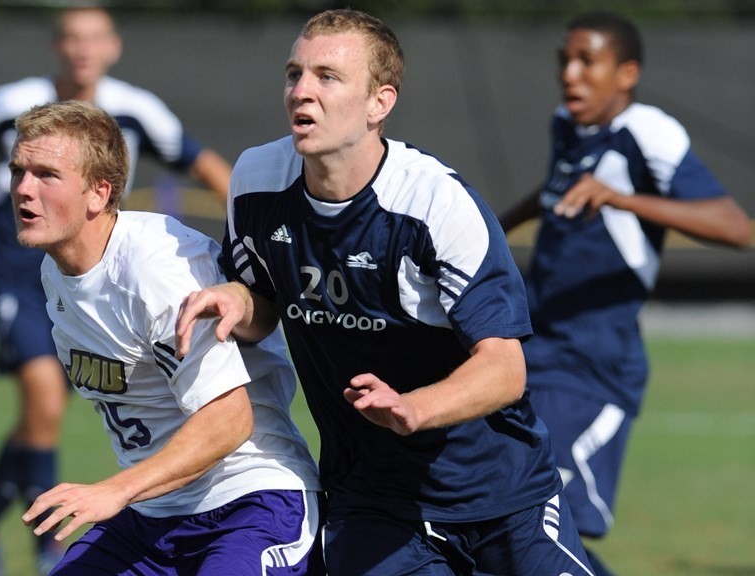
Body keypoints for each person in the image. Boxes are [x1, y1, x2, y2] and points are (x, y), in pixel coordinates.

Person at [176, 8, 595, 576]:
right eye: (294, 73)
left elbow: (504, 367)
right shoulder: (255, 181)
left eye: (327, 76)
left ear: (380, 102)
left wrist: (413, 407)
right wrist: (237, 300)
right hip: (372, 503)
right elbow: (265, 304)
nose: (301, 91)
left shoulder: (435, 205)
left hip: (503, 495)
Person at [0, 6, 232, 576]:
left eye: (95, 39)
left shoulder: (136, 108)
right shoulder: (13, 103)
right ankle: (51, 541)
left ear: (113, 47)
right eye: (73, 39)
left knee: (46, 411)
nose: (83, 50)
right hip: (20, 269)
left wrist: (254, 230)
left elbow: (202, 163)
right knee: (46, 401)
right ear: (57, 46)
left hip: (94, 273)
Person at [10, 99, 323, 575]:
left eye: (46, 175)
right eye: (19, 171)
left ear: (99, 193)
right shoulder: (56, 272)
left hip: (251, 500)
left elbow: (228, 420)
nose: (23, 190)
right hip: (154, 513)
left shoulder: (158, 268)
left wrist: (113, 491)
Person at [498, 11, 751, 576]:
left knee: (544, 515)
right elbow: (556, 190)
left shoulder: (647, 132)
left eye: (589, 61)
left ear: (627, 72)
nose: (571, 73)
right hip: (531, 349)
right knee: (507, 513)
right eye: (565, 60)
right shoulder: (568, 124)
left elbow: (737, 228)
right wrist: (488, 227)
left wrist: (623, 199)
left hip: (592, 366)